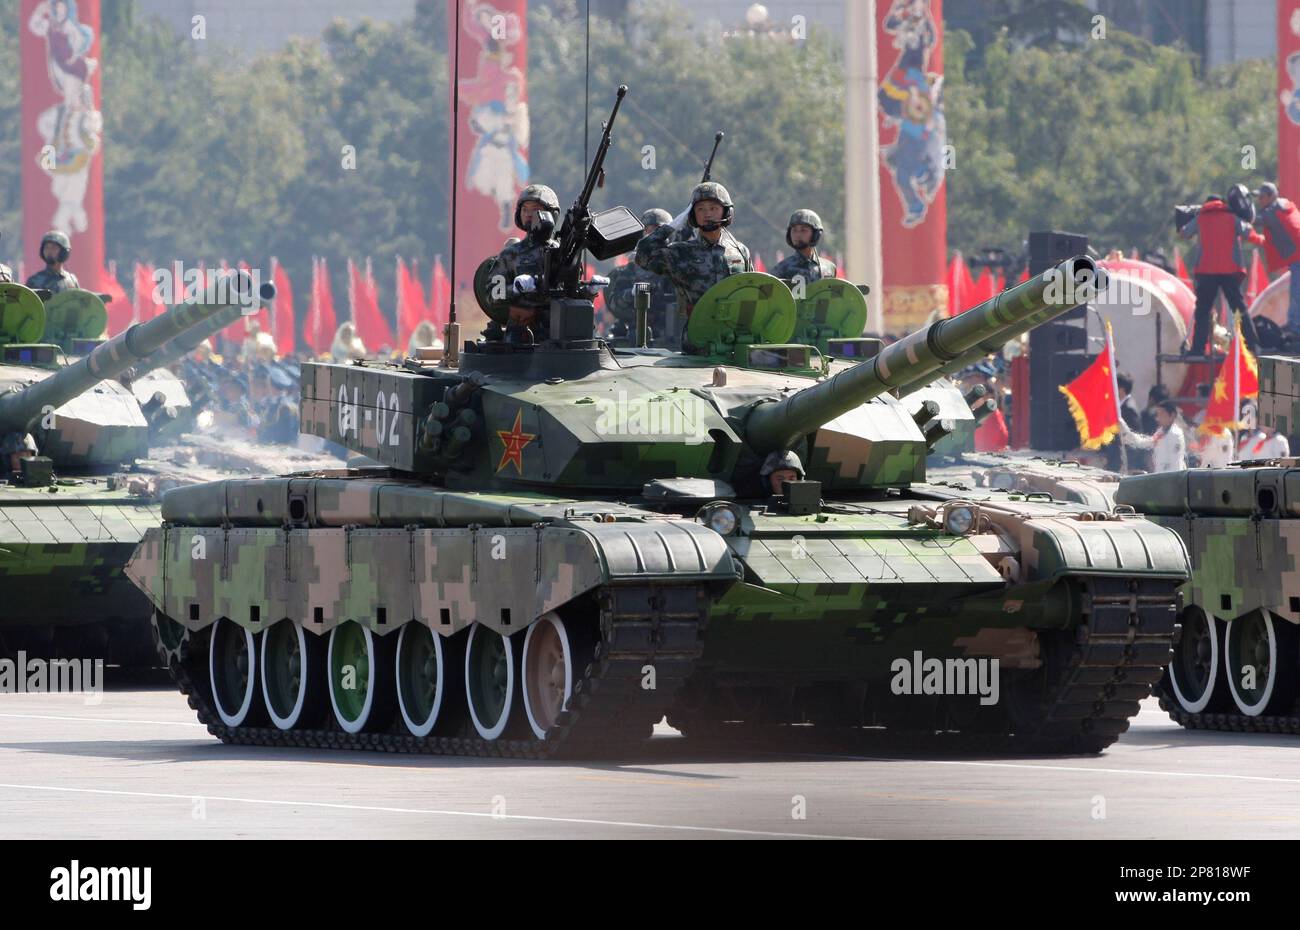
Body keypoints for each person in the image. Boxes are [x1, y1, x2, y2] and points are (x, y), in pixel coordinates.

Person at [635, 181, 753, 347]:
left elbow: (752, 293)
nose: (707, 214)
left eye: (713, 208)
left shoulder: (740, 251)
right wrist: (671, 227)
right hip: (698, 337)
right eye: (700, 209)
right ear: (692, 215)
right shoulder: (680, 252)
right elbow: (643, 255)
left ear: (726, 211)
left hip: (735, 337)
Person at [1179, 196, 1259, 356]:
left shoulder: (1201, 217)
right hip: (1229, 271)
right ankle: (1253, 345)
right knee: (1239, 308)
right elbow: (1249, 233)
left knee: (1203, 311)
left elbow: (1184, 233)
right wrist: (1261, 238)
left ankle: (1198, 349)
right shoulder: (1232, 217)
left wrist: (1184, 220)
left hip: (1206, 271)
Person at [482, 184, 560, 338]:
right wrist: (516, 289)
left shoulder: (561, 252)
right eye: (525, 210)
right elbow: (493, 294)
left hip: (558, 334)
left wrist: (588, 291)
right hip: (520, 337)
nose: (529, 214)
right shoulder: (511, 254)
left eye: (536, 210)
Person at [605, 208, 677, 343]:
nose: (651, 235)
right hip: (634, 334)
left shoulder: (677, 267)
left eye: (657, 231)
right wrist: (632, 294)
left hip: (670, 336)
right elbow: (614, 302)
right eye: (647, 231)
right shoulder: (629, 269)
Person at [1249, 182, 1300, 332]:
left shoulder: (1272, 212)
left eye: (1262, 197)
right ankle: (1294, 323)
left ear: (1272, 196)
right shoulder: (1284, 205)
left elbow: (1255, 220)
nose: (1260, 200)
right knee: (1296, 290)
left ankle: (1295, 326)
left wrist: (1240, 211)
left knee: (1297, 292)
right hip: (1297, 258)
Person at [771, 210, 836, 286]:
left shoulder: (829, 268)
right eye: (794, 230)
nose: (798, 234)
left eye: (803, 230)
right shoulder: (781, 269)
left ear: (815, 234)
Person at [1121, 400, 1186, 473]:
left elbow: (1173, 462)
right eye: (1157, 414)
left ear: (1172, 415)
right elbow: (1145, 443)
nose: (1158, 418)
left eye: (1161, 414)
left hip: (1173, 477)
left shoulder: (1175, 434)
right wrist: (1126, 432)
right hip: (1161, 476)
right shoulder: (1160, 432)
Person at [1106, 372, 1145, 471]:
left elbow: (1135, 438)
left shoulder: (1129, 409)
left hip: (1125, 463)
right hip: (1116, 460)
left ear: (1121, 390)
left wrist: (1128, 464)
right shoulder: (1121, 406)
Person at [25, 230, 80, 294]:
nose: (49, 251)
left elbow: (78, 302)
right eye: (47, 248)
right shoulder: (34, 281)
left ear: (63, 252)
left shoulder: (71, 281)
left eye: (54, 248)